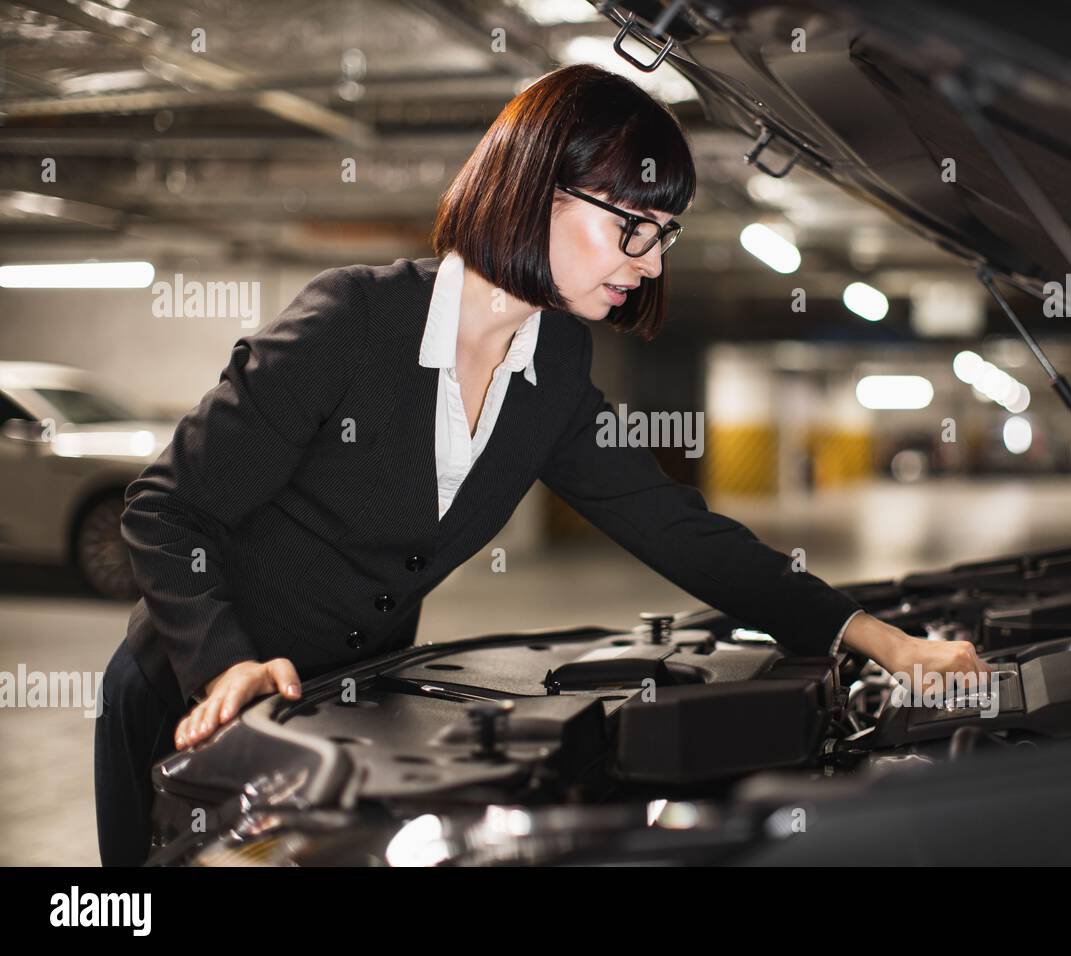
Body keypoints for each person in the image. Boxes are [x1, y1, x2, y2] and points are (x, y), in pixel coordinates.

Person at [94, 63, 987, 866]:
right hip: (192, 700)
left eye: (665, 234)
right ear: (535, 190)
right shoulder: (350, 322)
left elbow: (672, 524)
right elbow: (166, 510)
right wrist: (225, 663)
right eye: (634, 225)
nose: (652, 261)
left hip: (348, 717)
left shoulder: (552, 368)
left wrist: (880, 639)